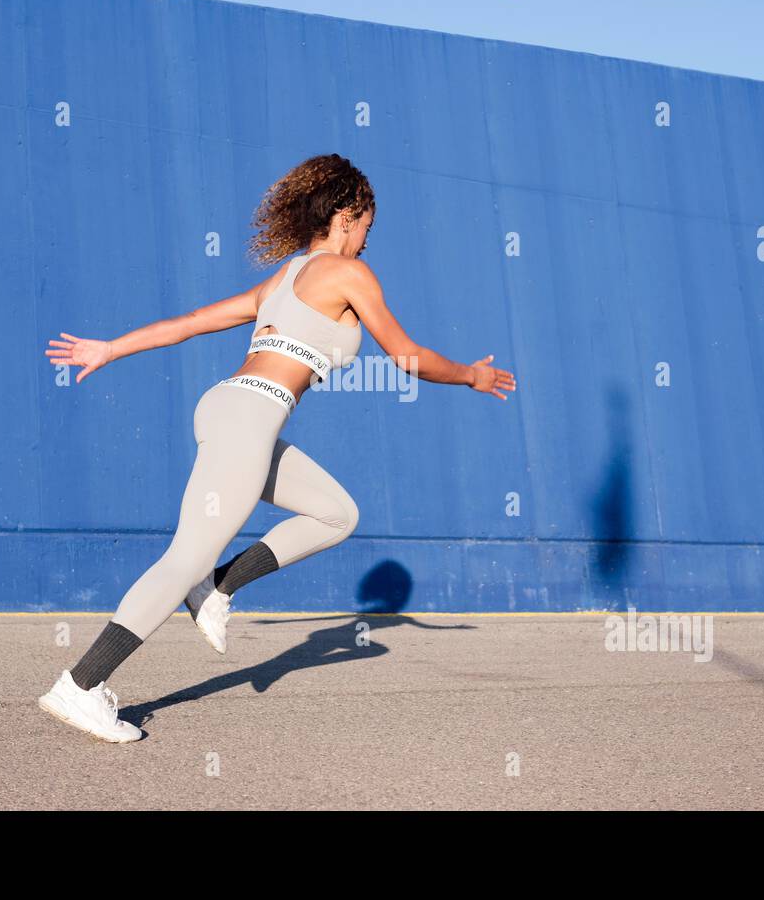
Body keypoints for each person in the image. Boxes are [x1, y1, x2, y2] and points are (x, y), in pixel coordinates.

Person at [38, 153, 516, 741]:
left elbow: (190, 321)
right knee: (183, 556)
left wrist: (111, 348)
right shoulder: (348, 275)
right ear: (347, 214)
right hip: (249, 416)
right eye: (367, 225)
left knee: (336, 514)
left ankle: (219, 585)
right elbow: (406, 357)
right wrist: (471, 375)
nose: (368, 240)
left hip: (233, 408)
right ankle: (82, 684)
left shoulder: (284, 277)